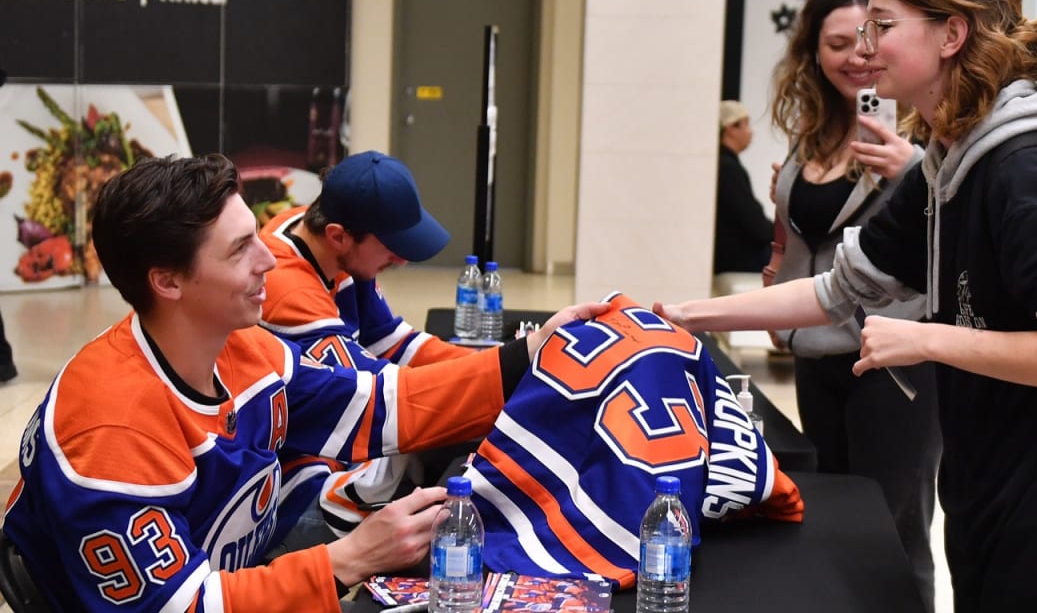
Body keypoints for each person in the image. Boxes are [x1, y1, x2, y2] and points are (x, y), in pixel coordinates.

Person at [656, 0, 1037, 612]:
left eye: (883, 27)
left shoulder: (1029, 172)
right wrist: (686, 316)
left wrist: (927, 340)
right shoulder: (949, 166)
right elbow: (841, 287)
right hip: (992, 482)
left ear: (952, 34)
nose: (867, 49)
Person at [1, 154, 604, 612]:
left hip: (239, 556)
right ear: (168, 282)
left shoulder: (242, 344)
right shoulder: (112, 429)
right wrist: (350, 558)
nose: (269, 260)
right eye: (241, 250)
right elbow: (184, 606)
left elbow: (380, 406)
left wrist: (528, 353)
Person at [764, 0, 940, 611]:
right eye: (839, 42)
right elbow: (794, 235)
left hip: (896, 362)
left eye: (870, 38)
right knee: (833, 514)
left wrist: (918, 172)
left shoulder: (930, 128)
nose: (857, 57)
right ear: (813, 50)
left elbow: (972, 228)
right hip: (817, 352)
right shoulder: (812, 132)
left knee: (893, 529)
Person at [258, 151, 490, 537]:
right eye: (390, 246)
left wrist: (494, 365)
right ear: (338, 235)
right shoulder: (286, 289)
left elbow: (395, 343)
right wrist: (489, 381)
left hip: (341, 439)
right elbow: (382, 400)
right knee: (444, 510)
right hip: (292, 483)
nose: (400, 259)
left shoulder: (323, 239)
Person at [713, 100, 773, 274]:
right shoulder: (727, 167)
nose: (751, 132)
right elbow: (755, 224)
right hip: (738, 259)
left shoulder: (724, 164)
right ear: (731, 128)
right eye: (746, 125)